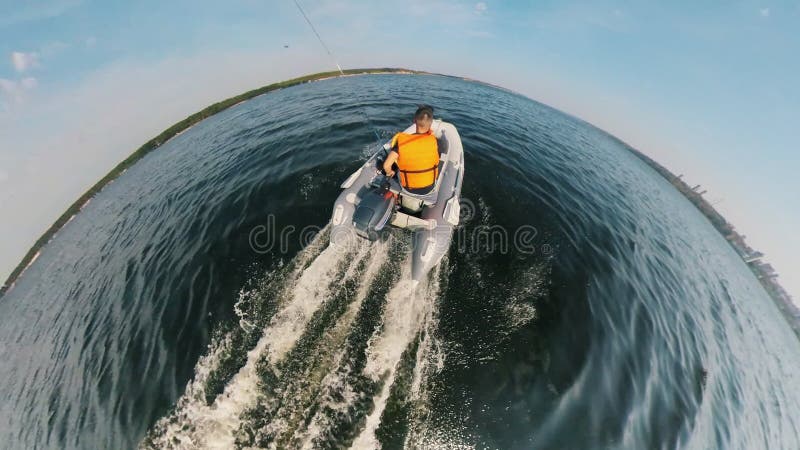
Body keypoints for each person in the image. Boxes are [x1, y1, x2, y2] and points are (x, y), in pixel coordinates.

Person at [382, 105, 440, 193]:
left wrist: (390, 172)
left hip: (408, 188)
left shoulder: (402, 142)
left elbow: (386, 166)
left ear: (414, 121)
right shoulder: (433, 141)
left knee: (394, 165)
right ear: (431, 123)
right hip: (429, 187)